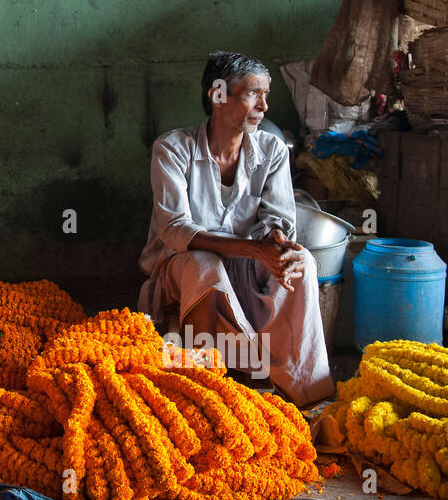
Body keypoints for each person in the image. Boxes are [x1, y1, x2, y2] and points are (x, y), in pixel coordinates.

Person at [137, 51, 334, 407]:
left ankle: (306, 393)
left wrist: (275, 244)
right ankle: (207, 385)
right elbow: (177, 230)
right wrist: (253, 250)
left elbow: (277, 218)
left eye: (266, 95)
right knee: (204, 265)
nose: (264, 106)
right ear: (217, 96)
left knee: (301, 260)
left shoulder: (272, 149)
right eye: (253, 94)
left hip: (246, 264)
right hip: (181, 269)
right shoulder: (172, 149)